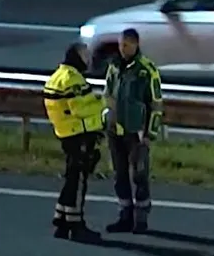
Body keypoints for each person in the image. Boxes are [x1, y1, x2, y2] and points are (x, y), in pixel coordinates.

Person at [43, 41, 106, 241]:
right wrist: (104, 102)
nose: (89, 59)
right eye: (86, 56)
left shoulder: (57, 77)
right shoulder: (73, 79)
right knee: (78, 181)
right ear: (77, 56)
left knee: (71, 178)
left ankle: (61, 220)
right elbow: (81, 109)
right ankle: (76, 225)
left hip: (66, 133)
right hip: (78, 134)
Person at [104, 27, 163, 234]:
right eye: (120, 44)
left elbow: (155, 104)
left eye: (126, 45)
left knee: (139, 174)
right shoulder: (113, 67)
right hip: (115, 129)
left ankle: (141, 218)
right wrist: (106, 120)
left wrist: (150, 134)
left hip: (136, 132)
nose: (122, 49)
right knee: (119, 174)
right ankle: (124, 215)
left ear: (136, 44)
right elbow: (108, 95)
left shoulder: (147, 70)